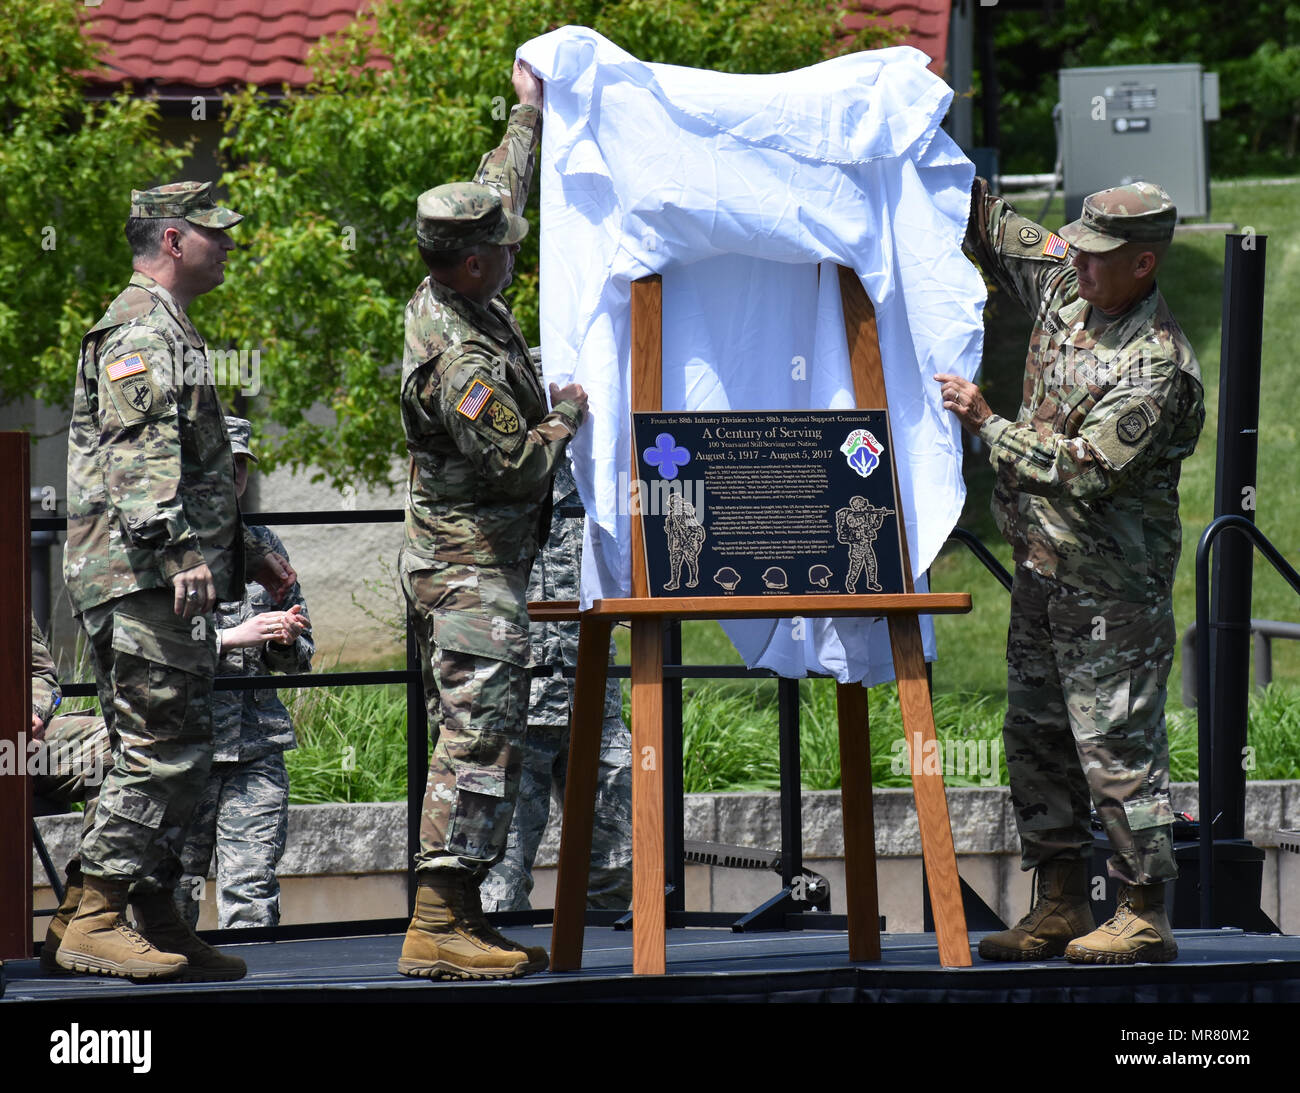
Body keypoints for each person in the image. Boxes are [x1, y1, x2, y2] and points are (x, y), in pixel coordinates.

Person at [936, 178, 1204, 964]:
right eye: (1079, 249)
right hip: (1042, 578)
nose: (1080, 263)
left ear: (1145, 263)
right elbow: (992, 225)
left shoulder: (1159, 367)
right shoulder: (1066, 285)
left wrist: (988, 424)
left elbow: (1086, 469)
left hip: (1112, 596)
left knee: (1120, 754)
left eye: (1101, 256)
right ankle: (1058, 901)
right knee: (1038, 742)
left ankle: (1144, 910)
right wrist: (920, 138)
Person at [60, 181, 296, 981]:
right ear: (171, 241)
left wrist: (240, 549)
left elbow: (198, 477)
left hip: (164, 576)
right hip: (141, 577)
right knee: (158, 748)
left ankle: (152, 912)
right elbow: (140, 465)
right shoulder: (137, 328)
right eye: (213, 233)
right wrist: (179, 555)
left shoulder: (171, 327)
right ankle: (93, 915)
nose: (227, 245)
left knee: (183, 748)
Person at [397, 59, 588, 980]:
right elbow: (516, 467)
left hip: (478, 567)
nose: (517, 250)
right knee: (477, 737)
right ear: (472, 261)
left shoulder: (459, 284)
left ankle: (460, 910)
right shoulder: (460, 358)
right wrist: (566, 416)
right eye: (505, 247)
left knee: (488, 734)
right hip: (470, 567)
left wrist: (527, 111)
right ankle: (437, 918)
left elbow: (499, 184)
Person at [173, 417, 313, 930]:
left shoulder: (261, 542)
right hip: (183, 753)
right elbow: (144, 655)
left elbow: (301, 659)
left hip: (254, 751)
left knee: (251, 897)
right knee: (170, 904)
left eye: (239, 467)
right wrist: (230, 637)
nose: (231, 477)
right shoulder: (165, 553)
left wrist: (285, 639)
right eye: (219, 466)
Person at [480, 459, 632, 914]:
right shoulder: (497, 477)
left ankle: (613, 969)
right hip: (516, 705)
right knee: (500, 877)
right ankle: (504, 968)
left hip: (592, 696)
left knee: (618, 860)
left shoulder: (603, 474)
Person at [29, 616, 111, 975]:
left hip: (11, 749)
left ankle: (84, 913)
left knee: (122, 747)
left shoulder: (6, 579)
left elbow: (40, 673)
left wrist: (28, 712)